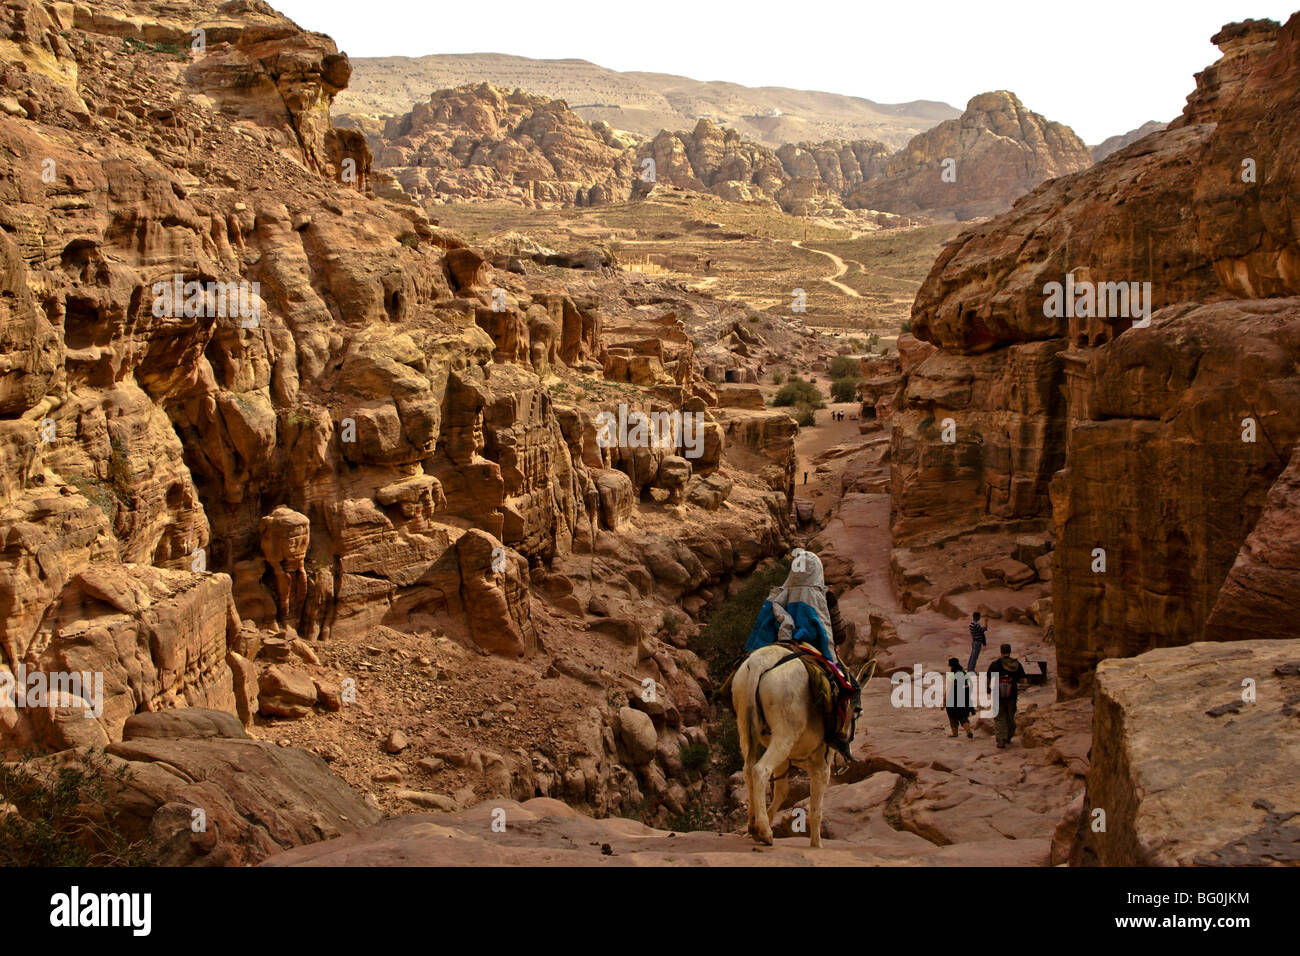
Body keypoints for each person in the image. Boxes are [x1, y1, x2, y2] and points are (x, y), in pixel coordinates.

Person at [744, 549, 857, 760]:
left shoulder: (779, 594)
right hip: (813, 647)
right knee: (850, 687)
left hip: (782, 642)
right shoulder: (825, 596)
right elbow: (837, 634)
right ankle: (839, 736)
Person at [986, 643, 1029, 748]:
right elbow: (1023, 680)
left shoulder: (995, 664)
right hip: (1012, 694)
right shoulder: (1016, 665)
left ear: (1001, 651)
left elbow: (988, 678)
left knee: (1000, 717)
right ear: (1010, 651)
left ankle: (1001, 739)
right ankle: (1009, 736)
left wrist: (988, 688)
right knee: (1010, 716)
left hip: (998, 694)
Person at [944, 657, 974, 738]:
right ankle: (968, 730)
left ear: (951, 666)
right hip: (963, 696)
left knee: (952, 716)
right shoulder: (964, 672)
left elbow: (948, 688)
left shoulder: (952, 675)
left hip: (953, 698)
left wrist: (944, 701)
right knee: (963, 716)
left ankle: (955, 733)